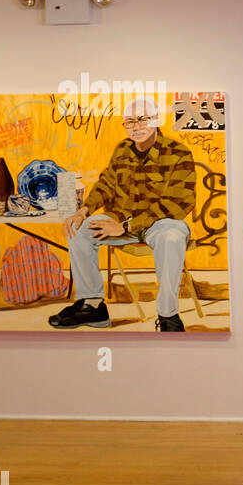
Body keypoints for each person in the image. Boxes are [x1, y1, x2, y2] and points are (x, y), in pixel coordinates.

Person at [48, 97, 197, 332]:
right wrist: (84, 210)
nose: (136, 126)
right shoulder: (122, 150)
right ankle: (92, 305)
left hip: (161, 223)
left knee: (172, 237)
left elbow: (177, 203)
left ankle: (168, 316)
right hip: (121, 220)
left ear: (157, 120)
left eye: (142, 119)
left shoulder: (178, 152)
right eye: (129, 122)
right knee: (79, 228)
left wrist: (127, 227)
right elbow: (106, 183)